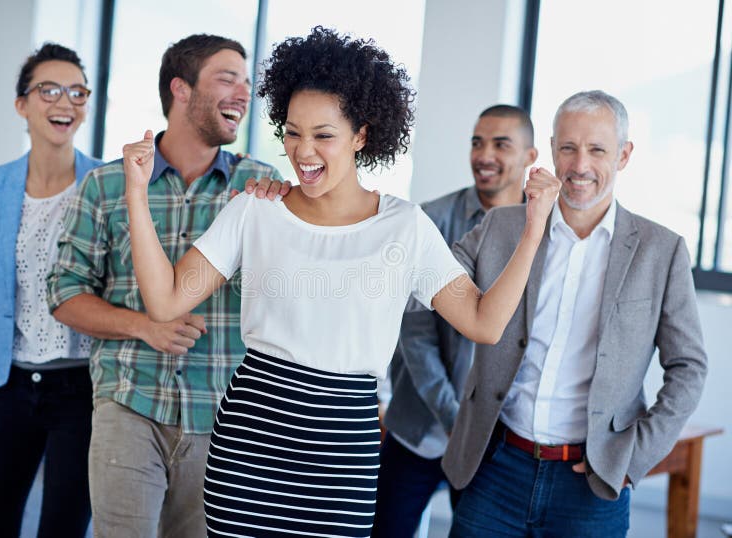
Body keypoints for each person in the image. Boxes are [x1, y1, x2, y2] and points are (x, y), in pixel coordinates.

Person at [122, 27, 560, 537]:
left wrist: (532, 231)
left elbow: (485, 323)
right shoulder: (254, 211)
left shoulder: (405, 226)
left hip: (343, 449)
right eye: (292, 132)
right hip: (251, 439)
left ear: (362, 135)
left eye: (323, 135)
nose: (303, 151)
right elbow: (164, 299)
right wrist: (136, 190)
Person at [46, 34, 286, 538]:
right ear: (180, 88)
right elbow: (65, 293)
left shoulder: (260, 188)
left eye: (247, 81)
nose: (244, 93)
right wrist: (144, 327)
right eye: (228, 78)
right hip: (129, 401)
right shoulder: (107, 185)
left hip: (224, 418)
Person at [443, 90, 708, 537]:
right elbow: (431, 281)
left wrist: (632, 458)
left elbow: (689, 367)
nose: (579, 165)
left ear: (624, 155)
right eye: (568, 148)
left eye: (597, 149)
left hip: (591, 485)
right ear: (551, 150)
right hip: (496, 467)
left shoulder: (662, 250)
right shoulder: (502, 226)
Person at [0, 43, 102, 537]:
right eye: (49, 89)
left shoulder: (106, 182)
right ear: (22, 105)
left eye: (77, 92)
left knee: (64, 530)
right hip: (6, 384)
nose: (65, 102)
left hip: (83, 389)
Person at [373, 105, 538, 537]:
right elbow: (416, 335)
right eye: (477, 142)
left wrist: (480, 426)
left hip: (494, 440)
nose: (485, 154)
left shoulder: (539, 231)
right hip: (419, 426)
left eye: (501, 144)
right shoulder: (430, 219)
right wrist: (457, 417)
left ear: (530, 156)